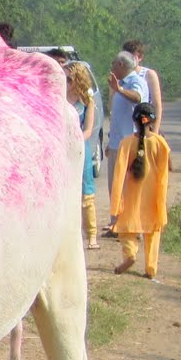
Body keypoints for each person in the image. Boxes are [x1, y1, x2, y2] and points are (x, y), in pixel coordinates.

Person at [109, 102, 170, 280]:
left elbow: (119, 173)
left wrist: (116, 202)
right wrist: (161, 198)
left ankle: (130, 255)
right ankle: (151, 268)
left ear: (134, 121)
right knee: (152, 231)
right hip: (152, 195)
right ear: (152, 121)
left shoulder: (126, 143)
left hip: (132, 195)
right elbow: (164, 174)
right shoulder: (161, 143)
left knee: (127, 228)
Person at [102, 50, 148, 235]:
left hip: (130, 145)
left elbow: (137, 97)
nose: (112, 67)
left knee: (128, 187)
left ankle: (131, 226)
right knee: (115, 186)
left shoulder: (135, 81)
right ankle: (117, 224)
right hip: (117, 145)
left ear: (121, 65)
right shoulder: (121, 84)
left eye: (114, 64)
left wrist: (120, 90)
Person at [64, 62, 99, 251]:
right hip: (61, 148)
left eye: (68, 79)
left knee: (86, 192)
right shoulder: (59, 98)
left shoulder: (87, 100)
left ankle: (92, 235)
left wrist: (75, 142)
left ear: (77, 79)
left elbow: (88, 129)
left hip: (79, 148)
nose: (65, 82)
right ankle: (70, 235)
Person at [126, 39, 163, 135]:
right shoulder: (120, 75)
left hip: (144, 125)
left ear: (140, 57)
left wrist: (154, 132)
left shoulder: (148, 74)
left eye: (133, 57)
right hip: (125, 128)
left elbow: (157, 105)